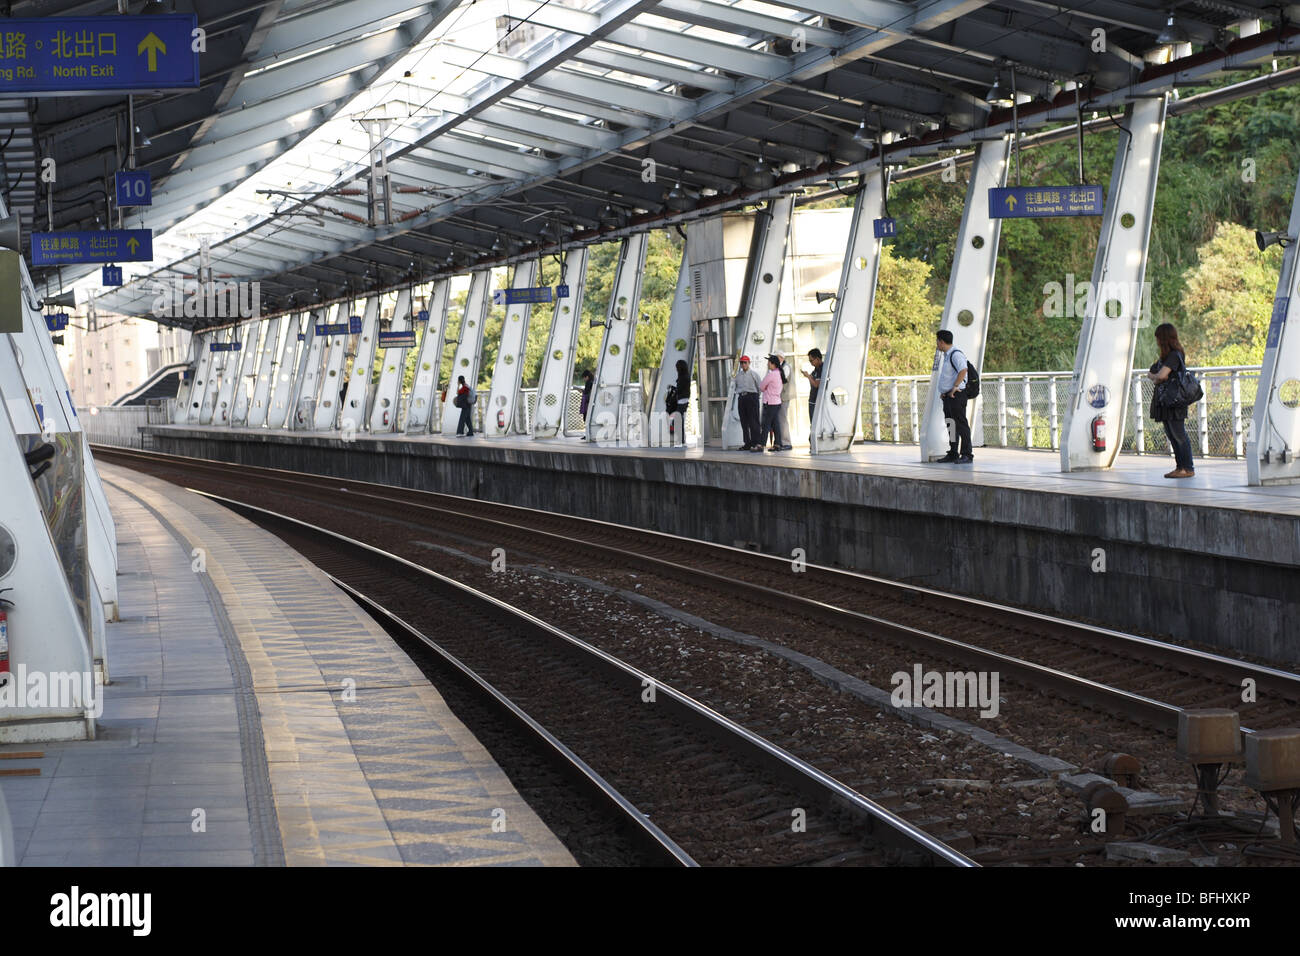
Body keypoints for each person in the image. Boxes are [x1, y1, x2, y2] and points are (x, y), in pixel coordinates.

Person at [1149, 322, 1195, 478]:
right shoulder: (1166, 357)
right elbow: (1152, 372)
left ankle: (1187, 468)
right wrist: (1157, 377)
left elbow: (1161, 375)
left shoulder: (1175, 355)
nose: (1156, 342)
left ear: (1163, 338)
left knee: (1179, 435)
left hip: (1175, 401)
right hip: (1166, 401)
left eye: (1158, 338)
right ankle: (1179, 466)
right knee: (1171, 434)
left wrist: (1158, 377)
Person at [933, 330, 971, 463]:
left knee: (961, 425)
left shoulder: (956, 354)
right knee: (951, 425)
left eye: (937, 341)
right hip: (948, 396)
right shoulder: (947, 356)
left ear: (941, 341)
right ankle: (953, 452)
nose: (936, 344)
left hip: (957, 395)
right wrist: (945, 391)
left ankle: (967, 454)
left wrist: (955, 386)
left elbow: (963, 370)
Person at [733, 355, 763, 451]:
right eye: (742, 363)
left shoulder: (754, 374)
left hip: (752, 397)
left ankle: (756, 442)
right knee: (744, 422)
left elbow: (760, 387)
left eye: (745, 362)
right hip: (742, 398)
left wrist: (755, 397)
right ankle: (747, 443)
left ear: (749, 363)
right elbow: (735, 387)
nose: (743, 364)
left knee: (754, 421)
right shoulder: (738, 376)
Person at [759, 354, 786, 452]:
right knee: (775, 424)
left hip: (770, 403)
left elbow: (761, 387)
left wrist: (766, 388)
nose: (767, 364)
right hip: (777, 402)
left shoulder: (771, 374)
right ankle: (778, 444)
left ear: (773, 364)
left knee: (766, 424)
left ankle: (761, 445)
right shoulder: (779, 373)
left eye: (769, 362)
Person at [773, 352, 794, 450]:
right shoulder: (782, 367)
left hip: (784, 397)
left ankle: (786, 442)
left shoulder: (786, 367)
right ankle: (780, 442)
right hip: (780, 397)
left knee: (782, 419)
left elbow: (781, 380)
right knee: (779, 419)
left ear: (780, 358)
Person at [802, 348, 824, 425]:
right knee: (813, 423)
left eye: (811, 361)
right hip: (813, 400)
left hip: (818, 401)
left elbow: (816, 384)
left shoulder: (822, 369)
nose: (811, 363)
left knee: (816, 423)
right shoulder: (816, 369)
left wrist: (808, 376)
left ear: (817, 359)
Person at [671, 359, 691, 446]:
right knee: (679, 420)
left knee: (677, 420)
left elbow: (680, 389)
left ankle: (681, 440)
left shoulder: (683, 378)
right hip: (683, 400)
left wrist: (674, 390)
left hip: (682, 401)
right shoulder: (685, 376)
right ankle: (681, 440)